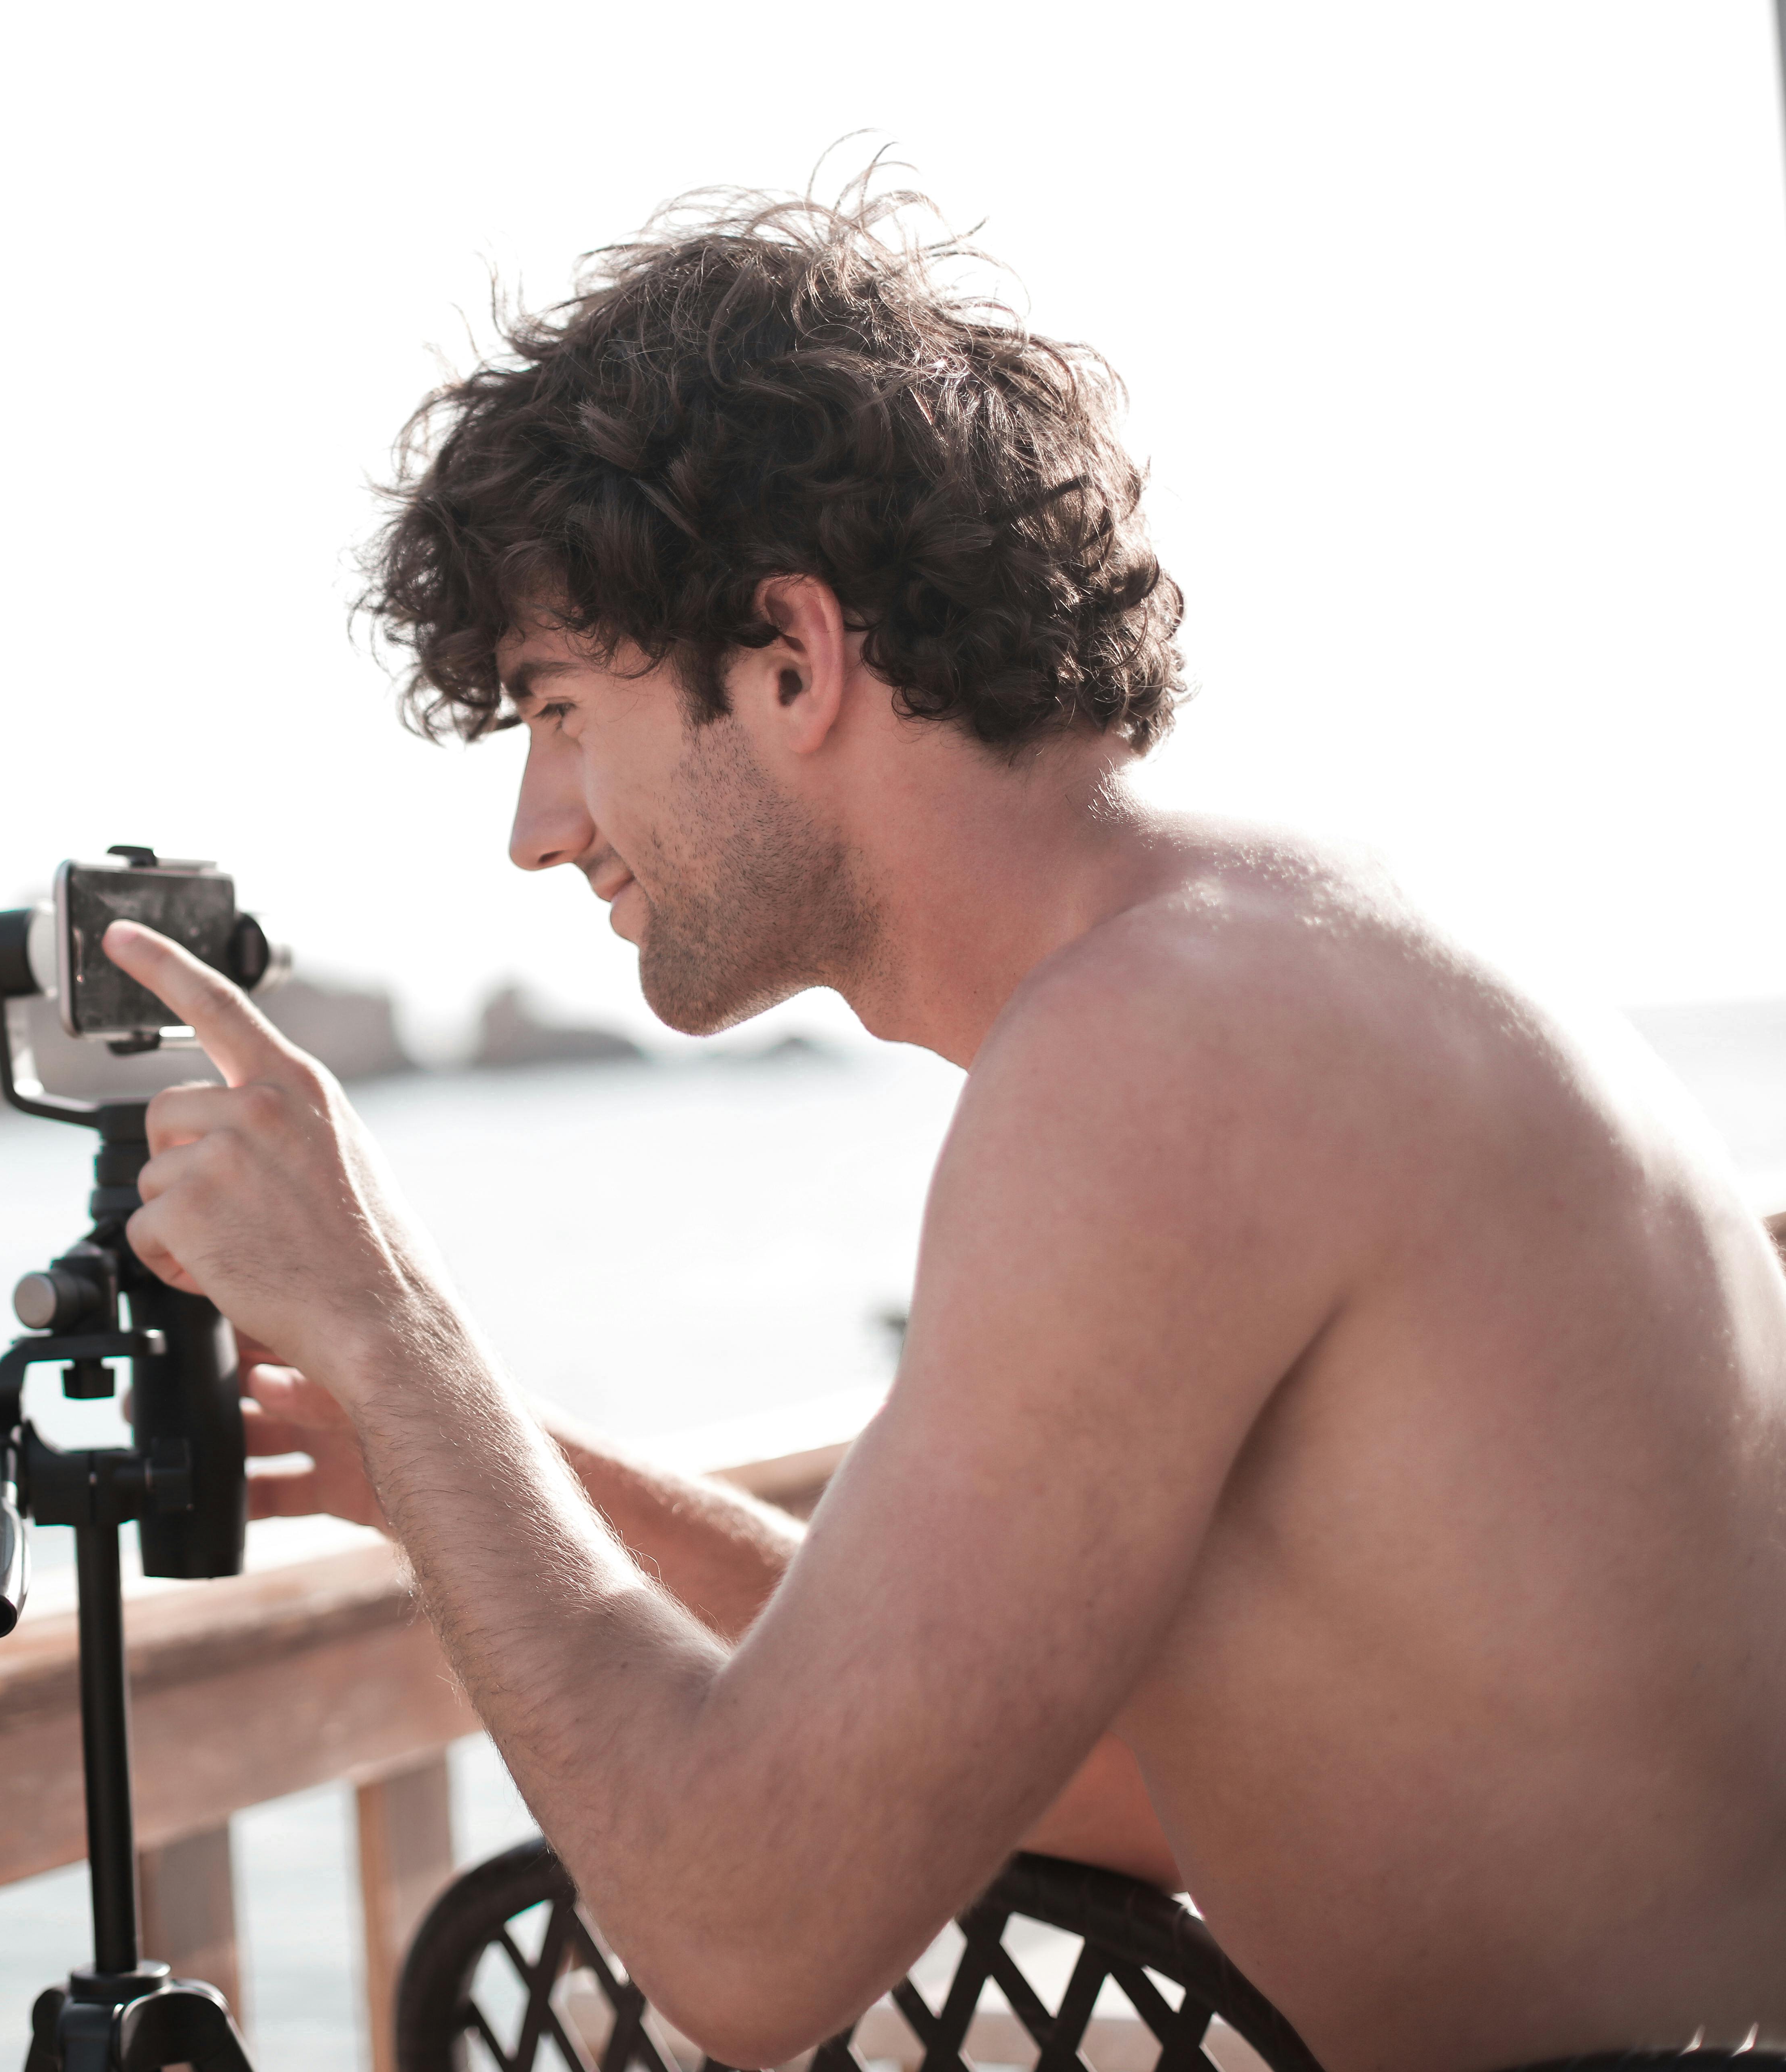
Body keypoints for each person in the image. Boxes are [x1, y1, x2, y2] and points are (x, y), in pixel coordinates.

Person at [95, 186, 1786, 2072]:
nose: (538, 823)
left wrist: (399, 1334)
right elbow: (1133, 1769)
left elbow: (743, 1938)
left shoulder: (1157, 1061)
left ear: (794, 661)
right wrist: (451, 1450)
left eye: (562, 708)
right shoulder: (1292, 959)